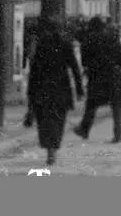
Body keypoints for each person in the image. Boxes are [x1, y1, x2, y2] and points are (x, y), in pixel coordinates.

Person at [28, 18, 83, 166]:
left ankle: (49, 148)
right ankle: (54, 146)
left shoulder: (41, 45)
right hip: (61, 88)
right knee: (59, 120)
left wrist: (30, 92)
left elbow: (34, 71)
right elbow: (75, 67)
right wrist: (79, 89)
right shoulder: (65, 44)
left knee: (44, 120)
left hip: (42, 89)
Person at [75, 17, 121, 144]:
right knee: (116, 104)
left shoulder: (87, 41)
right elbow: (120, 60)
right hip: (113, 74)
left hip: (97, 75)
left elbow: (84, 62)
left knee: (92, 104)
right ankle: (118, 133)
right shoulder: (112, 38)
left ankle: (84, 129)